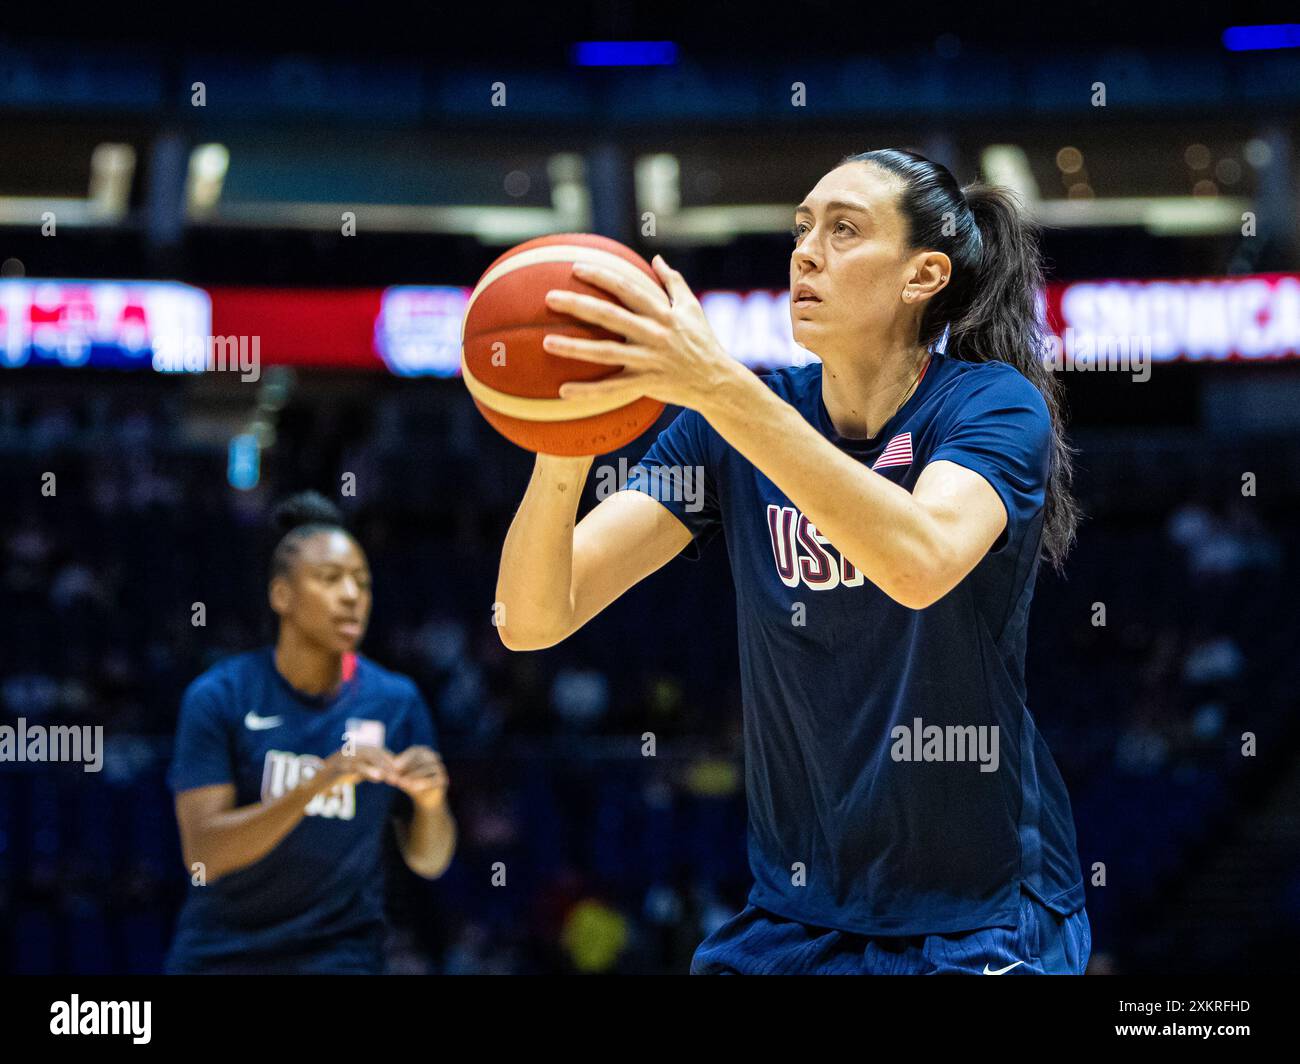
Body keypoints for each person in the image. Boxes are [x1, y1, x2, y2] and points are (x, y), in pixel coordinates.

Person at [495, 148, 1090, 975]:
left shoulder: (988, 404)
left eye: (844, 230)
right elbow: (532, 618)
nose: (806, 251)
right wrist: (563, 436)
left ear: (923, 276)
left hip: (981, 912)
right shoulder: (732, 422)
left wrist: (720, 389)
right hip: (801, 912)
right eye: (802, 227)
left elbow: (919, 561)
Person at [166, 491, 456, 974]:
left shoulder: (397, 702)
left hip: (340, 958)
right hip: (221, 957)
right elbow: (204, 855)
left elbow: (430, 861)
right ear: (282, 595)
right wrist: (317, 783)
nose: (351, 595)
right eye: (330, 579)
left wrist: (431, 803)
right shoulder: (220, 696)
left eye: (362, 583)